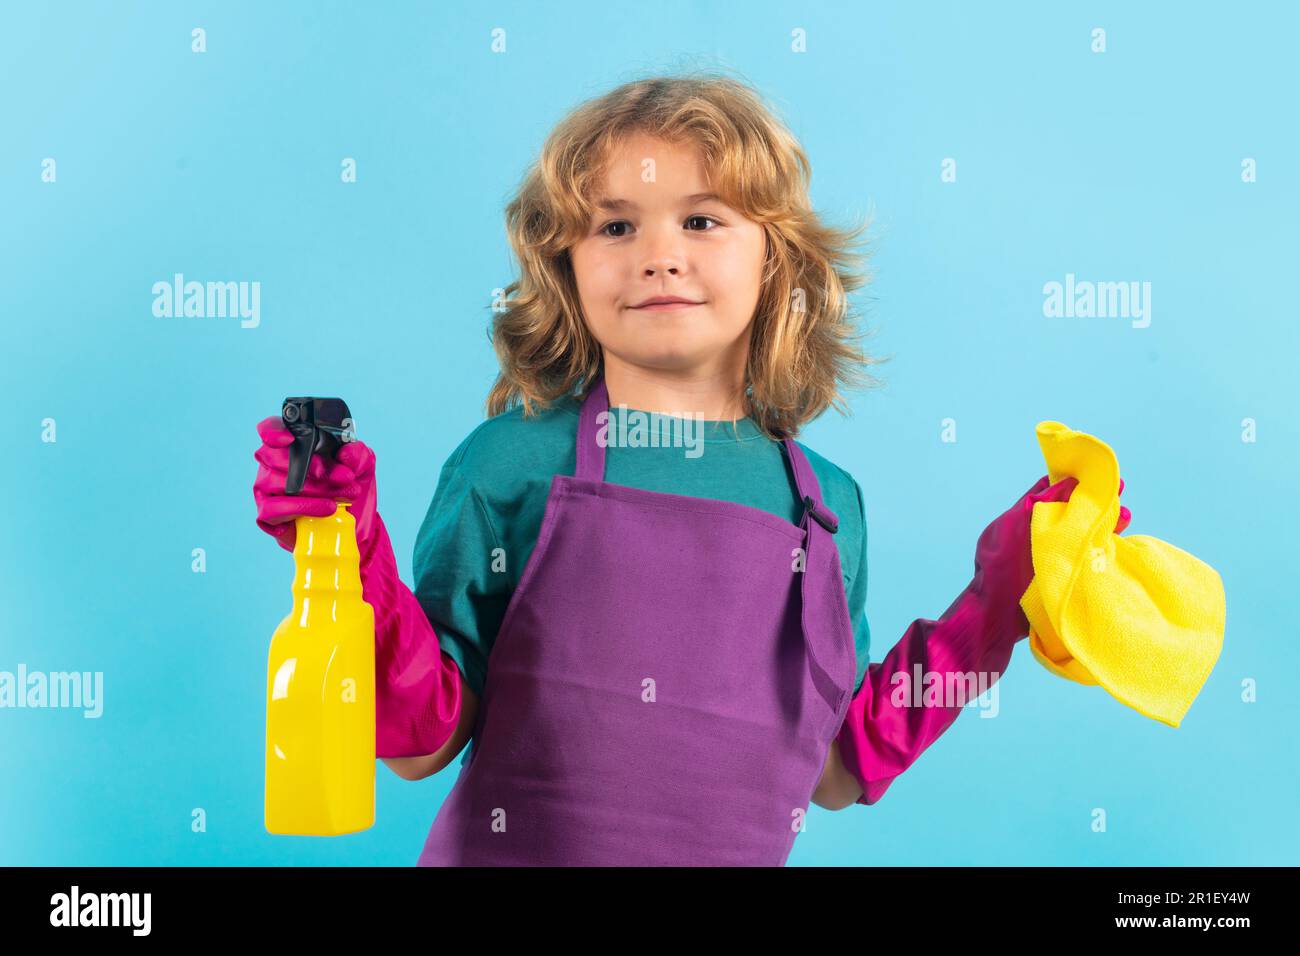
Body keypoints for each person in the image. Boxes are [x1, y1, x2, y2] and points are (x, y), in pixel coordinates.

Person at [252, 73, 1128, 866]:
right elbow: (420, 744)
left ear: (774, 261)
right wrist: (344, 550)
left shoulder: (824, 509)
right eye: (616, 225)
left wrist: (996, 609)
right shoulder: (509, 462)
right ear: (567, 266)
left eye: (701, 220)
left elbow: (835, 766)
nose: (657, 254)